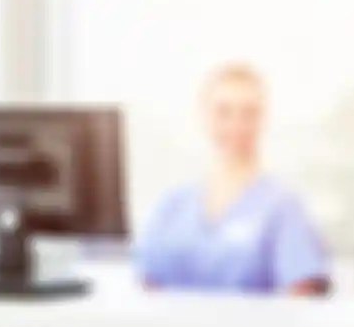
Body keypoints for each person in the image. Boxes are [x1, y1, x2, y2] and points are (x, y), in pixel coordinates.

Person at [135, 63, 332, 295]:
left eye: (248, 113)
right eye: (223, 112)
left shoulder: (283, 206)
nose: (236, 124)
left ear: (263, 120)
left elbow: (303, 293)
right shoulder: (174, 203)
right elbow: (148, 284)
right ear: (203, 116)